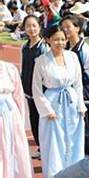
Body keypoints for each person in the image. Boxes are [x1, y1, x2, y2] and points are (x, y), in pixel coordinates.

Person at [32, 25, 86, 178]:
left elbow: (78, 84)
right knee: (56, 146)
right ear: (48, 40)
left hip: (71, 104)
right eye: (56, 39)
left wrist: (81, 106)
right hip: (53, 105)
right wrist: (47, 110)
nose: (60, 42)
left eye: (63, 39)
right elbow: (36, 89)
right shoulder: (41, 61)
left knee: (75, 144)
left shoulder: (72, 57)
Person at [61, 15, 89, 156]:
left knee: (86, 123)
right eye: (63, 27)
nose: (66, 30)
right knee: (72, 122)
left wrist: (79, 85)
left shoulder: (84, 49)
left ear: (77, 28)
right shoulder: (66, 48)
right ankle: (77, 151)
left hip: (85, 92)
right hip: (70, 92)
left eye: (69, 26)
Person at [0, 58, 33, 178]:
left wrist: (20, 119)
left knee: (12, 153)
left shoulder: (9, 68)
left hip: (10, 116)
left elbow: (18, 95)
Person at [20, 15, 48, 159]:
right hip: (28, 90)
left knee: (42, 120)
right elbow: (22, 66)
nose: (31, 29)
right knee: (33, 119)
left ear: (39, 27)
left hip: (40, 91)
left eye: (34, 25)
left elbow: (47, 71)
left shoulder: (44, 48)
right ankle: (40, 147)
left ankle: (46, 148)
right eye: (28, 26)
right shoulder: (24, 47)